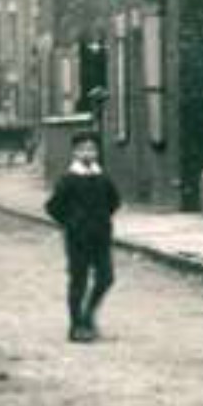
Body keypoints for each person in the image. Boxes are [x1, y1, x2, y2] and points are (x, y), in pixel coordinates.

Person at [45, 130, 121, 342]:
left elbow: (114, 201)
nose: (88, 153)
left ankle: (88, 314)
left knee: (106, 277)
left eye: (92, 149)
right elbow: (52, 207)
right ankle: (76, 326)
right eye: (83, 149)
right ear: (75, 153)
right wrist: (71, 223)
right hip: (77, 239)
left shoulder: (102, 177)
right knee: (78, 280)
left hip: (101, 237)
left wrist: (102, 220)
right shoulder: (68, 179)